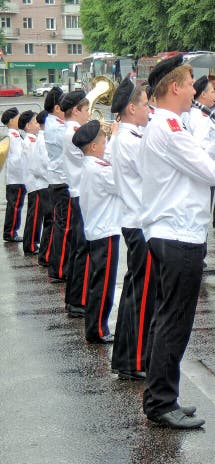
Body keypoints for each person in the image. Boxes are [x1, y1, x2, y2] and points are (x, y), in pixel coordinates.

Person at [139, 54, 215, 429]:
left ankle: (164, 396)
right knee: (173, 322)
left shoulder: (169, 125)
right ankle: (161, 402)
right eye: (190, 84)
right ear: (175, 87)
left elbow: (196, 166)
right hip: (177, 235)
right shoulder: (169, 128)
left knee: (170, 319)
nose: (195, 91)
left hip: (176, 233)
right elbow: (211, 173)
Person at [110, 78, 154, 380]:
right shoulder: (129, 140)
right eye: (145, 105)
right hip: (140, 223)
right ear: (131, 108)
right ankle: (135, 359)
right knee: (142, 295)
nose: (149, 110)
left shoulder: (131, 136)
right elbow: (153, 172)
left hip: (136, 220)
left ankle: (129, 357)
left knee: (136, 292)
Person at [72, 120, 120, 344]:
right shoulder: (100, 169)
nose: (105, 146)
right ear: (93, 147)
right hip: (105, 231)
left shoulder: (90, 165)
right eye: (103, 143)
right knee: (103, 284)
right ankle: (97, 329)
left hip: (98, 230)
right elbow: (122, 183)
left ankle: (95, 326)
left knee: (98, 281)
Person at [60, 90, 91, 318]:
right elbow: (95, 156)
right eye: (86, 109)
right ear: (76, 110)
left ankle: (74, 297)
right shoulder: (75, 133)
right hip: (82, 193)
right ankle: (78, 300)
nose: (89, 113)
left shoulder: (71, 130)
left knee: (78, 249)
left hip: (77, 192)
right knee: (83, 249)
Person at [39, 86, 65, 269]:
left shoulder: (52, 122)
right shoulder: (57, 126)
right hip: (61, 179)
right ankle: (59, 267)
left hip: (58, 178)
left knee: (59, 224)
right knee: (63, 226)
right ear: (57, 108)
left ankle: (57, 265)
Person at [21, 110, 48, 256]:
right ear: (28, 126)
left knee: (36, 215)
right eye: (35, 122)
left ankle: (31, 243)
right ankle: (31, 245)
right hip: (35, 183)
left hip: (34, 182)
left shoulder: (32, 140)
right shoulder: (31, 141)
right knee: (35, 215)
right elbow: (35, 164)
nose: (38, 125)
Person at [2, 108, 25, 243]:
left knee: (16, 206)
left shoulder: (16, 135)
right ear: (11, 120)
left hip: (17, 178)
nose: (20, 120)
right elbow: (17, 157)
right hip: (16, 178)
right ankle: (10, 233)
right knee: (14, 206)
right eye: (18, 117)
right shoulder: (12, 136)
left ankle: (11, 231)